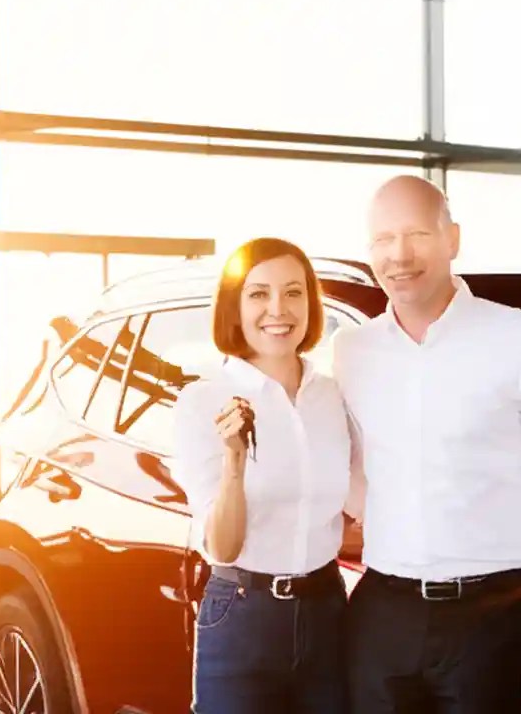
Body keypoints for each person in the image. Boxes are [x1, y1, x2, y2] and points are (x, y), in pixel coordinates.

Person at [333, 175, 521, 714]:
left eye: (417, 234)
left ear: (452, 238)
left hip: (493, 621)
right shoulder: (350, 351)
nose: (399, 255)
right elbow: (344, 468)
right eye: (383, 239)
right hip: (381, 615)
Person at [172, 237, 354, 714]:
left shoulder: (333, 395)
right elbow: (223, 547)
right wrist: (234, 462)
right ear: (235, 306)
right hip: (241, 615)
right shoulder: (202, 402)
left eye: (293, 292)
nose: (278, 309)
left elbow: (364, 496)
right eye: (258, 294)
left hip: (327, 612)